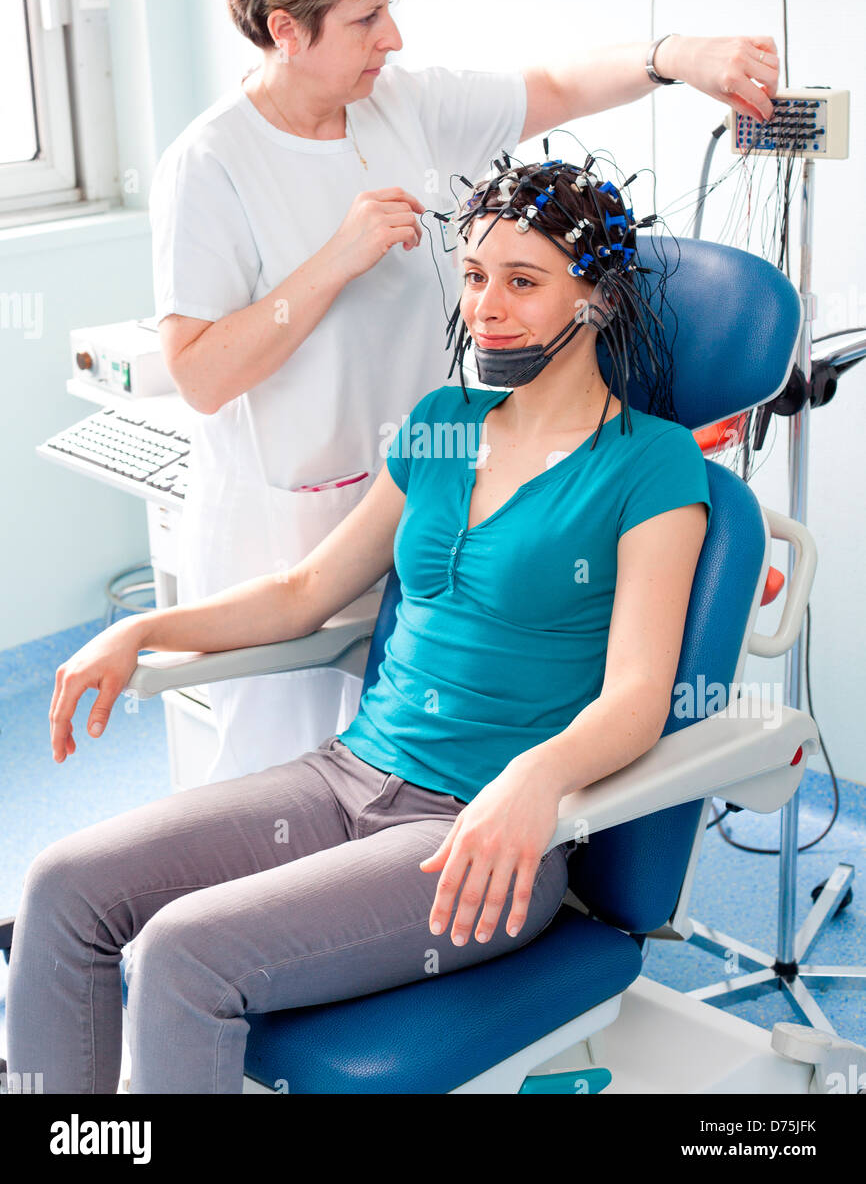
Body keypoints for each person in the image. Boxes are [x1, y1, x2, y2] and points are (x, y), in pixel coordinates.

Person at [7, 157, 713, 1094]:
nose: (487, 306)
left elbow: (635, 697)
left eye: (524, 280)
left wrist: (533, 780)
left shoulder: (652, 465)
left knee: (183, 957)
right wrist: (144, 630)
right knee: (62, 887)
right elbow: (304, 591)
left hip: (482, 833)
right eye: (473, 277)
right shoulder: (440, 424)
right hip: (343, 778)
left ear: (599, 296)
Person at [150, 0, 777, 783]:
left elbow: (557, 85)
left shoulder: (402, 101)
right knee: (295, 780)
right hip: (293, 526)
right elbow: (200, 375)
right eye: (366, 20)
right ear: (287, 29)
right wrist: (337, 258)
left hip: (436, 491)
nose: (391, 39)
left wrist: (676, 55)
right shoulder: (209, 165)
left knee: (425, 761)